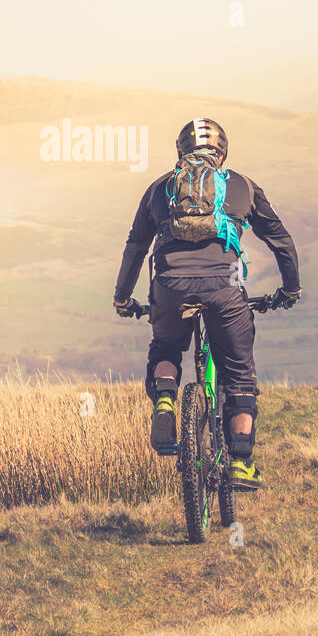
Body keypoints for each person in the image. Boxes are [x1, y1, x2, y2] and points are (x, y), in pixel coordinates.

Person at [112, 118, 301, 489]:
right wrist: (290, 289)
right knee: (239, 372)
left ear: (180, 152)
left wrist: (122, 297)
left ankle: (166, 400)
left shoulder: (160, 189)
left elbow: (135, 248)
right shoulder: (242, 186)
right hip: (224, 290)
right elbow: (281, 241)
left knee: (166, 345)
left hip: (169, 287)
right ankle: (241, 462)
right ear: (223, 152)